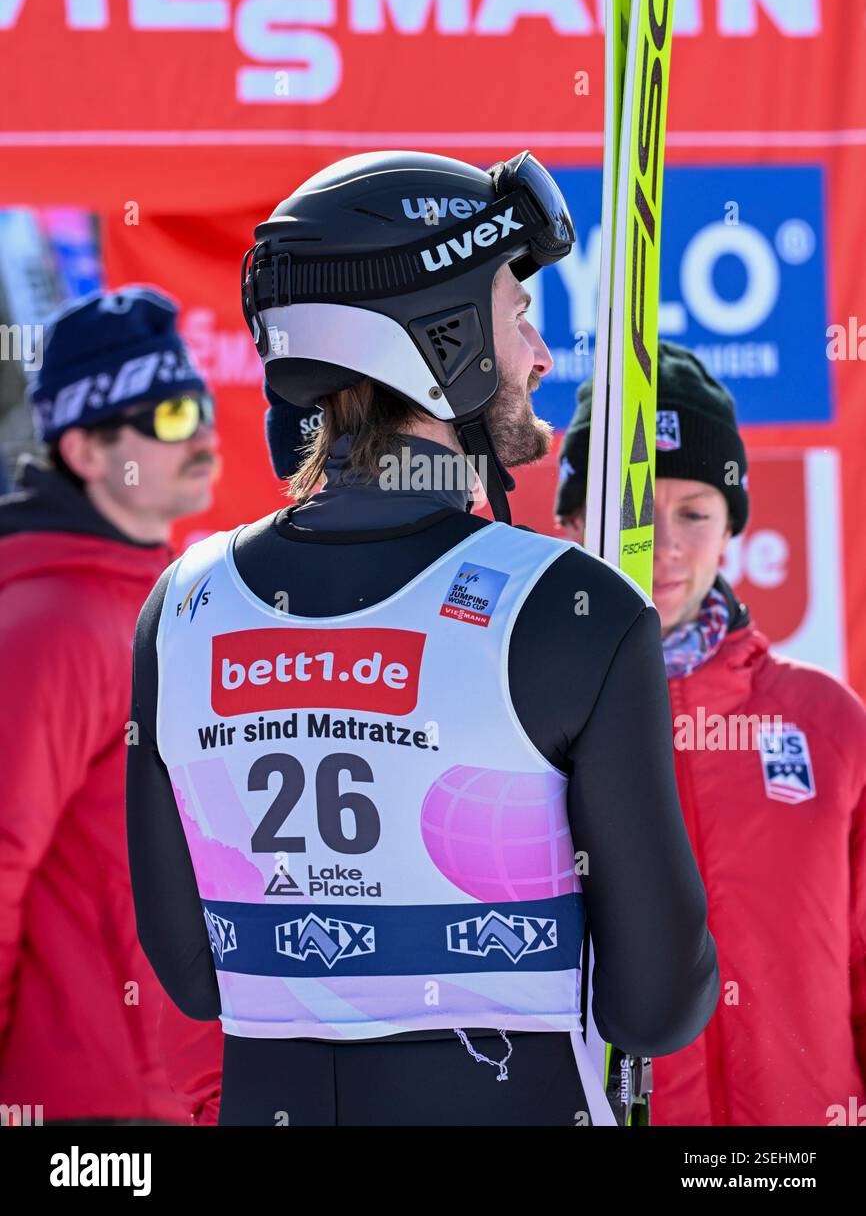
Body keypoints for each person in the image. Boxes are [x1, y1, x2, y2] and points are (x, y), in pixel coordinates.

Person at [127, 150, 719, 1127]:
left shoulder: (182, 606)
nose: (536, 353)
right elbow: (655, 1006)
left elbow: (196, 977)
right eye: (514, 312)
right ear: (443, 341)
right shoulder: (575, 608)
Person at [555, 340, 866, 1126]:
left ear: (733, 529)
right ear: (569, 521)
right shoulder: (523, 722)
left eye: (694, 513)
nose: (662, 545)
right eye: (633, 512)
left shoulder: (825, 723)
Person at [0, 286, 220, 1124]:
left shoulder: (155, 598)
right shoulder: (50, 622)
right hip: (84, 1109)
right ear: (89, 450)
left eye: (197, 405)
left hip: (163, 1092)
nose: (201, 434)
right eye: (167, 417)